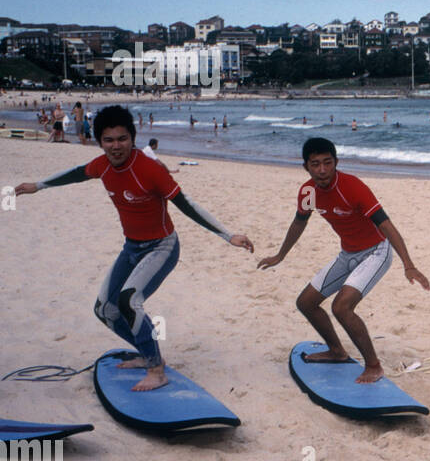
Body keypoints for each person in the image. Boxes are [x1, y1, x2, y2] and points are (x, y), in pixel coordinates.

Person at [14, 105, 253, 391]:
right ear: (99, 141)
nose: (116, 146)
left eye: (122, 139)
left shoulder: (149, 169)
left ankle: (156, 370)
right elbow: (77, 173)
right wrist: (38, 185)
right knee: (105, 310)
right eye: (109, 140)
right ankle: (148, 353)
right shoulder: (102, 165)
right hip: (131, 248)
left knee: (128, 301)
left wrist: (228, 235)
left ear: (133, 137)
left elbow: (187, 205)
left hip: (161, 247)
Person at [256, 137, 430, 383]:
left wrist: (408, 265)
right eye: (315, 164)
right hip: (347, 254)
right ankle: (337, 351)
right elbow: (299, 223)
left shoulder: (353, 187)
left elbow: (387, 225)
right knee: (306, 302)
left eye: (328, 163)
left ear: (336, 162)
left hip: (376, 251)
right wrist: (280, 255)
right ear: (306, 166)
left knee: (341, 307)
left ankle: (374, 366)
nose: (322, 170)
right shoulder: (308, 192)